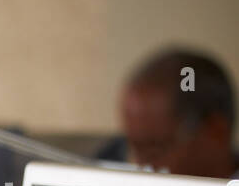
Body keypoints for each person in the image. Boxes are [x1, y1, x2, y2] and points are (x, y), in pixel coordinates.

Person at [101, 47, 239, 178]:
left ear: (215, 132)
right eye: (132, 149)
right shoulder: (110, 161)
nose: (140, 167)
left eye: (154, 152)